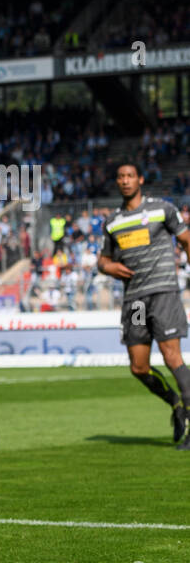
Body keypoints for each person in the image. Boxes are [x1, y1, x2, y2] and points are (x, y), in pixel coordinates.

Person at [97, 161, 190, 449]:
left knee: (172, 357)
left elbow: (186, 238)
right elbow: (103, 259)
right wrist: (108, 267)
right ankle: (175, 404)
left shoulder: (162, 209)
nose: (125, 181)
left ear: (140, 179)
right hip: (134, 301)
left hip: (162, 292)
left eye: (130, 176)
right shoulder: (112, 222)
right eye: (120, 177)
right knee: (138, 367)